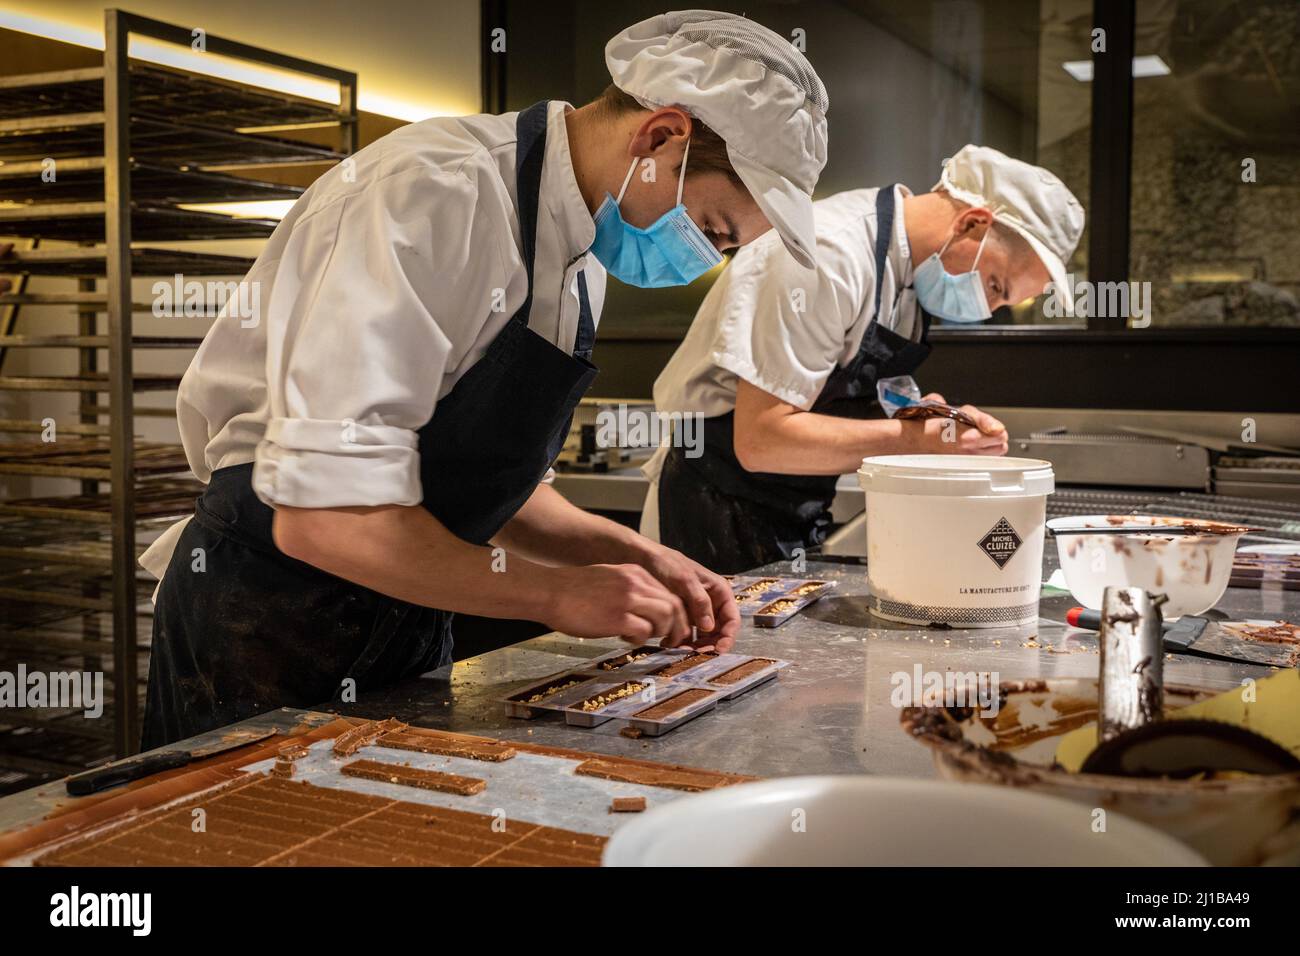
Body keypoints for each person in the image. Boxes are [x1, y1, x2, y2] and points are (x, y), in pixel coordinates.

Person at [139, 11, 830, 747]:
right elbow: (327, 518)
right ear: (660, 138)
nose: (706, 258)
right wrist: (559, 592)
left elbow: (485, 485)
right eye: (714, 230)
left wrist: (633, 553)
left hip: (406, 615)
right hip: (269, 623)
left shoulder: (578, 255)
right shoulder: (435, 194)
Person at [642, 145, 1084, 573]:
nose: (988, 311)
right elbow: (761, 440)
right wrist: (918, 441)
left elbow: (842, 399)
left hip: (792, 511)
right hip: (710, 508)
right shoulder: (826, 254)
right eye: (995, 287)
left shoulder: (909, 278)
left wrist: (929, 418)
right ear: (972, 223)